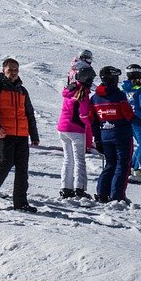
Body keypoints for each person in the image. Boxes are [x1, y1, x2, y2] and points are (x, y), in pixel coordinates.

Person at [0, 57, 40, 211]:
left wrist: (34, 135)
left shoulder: (22, 90)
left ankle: (20, 203)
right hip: (4, 133)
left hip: (21, 134)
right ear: (3, 70)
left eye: (15, 70)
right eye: (10, 69)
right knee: (5, 163)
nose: (13, 72)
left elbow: (29, 113)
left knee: (22, 169)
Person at [92, 65, 141, 202]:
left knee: (110, 163)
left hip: (104, 134)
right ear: (113, 79)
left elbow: (93, 121)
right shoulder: (119, 95)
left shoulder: (95, 98)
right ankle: (117, 197)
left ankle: (102, 193)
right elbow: (129, 116)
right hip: (121, 134)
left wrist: (97, 140)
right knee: (123, 164)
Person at [58, 64, 95, 198]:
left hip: (62, 128)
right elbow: (83, 115)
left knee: (68, 159)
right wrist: (90, 125)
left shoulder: (70, 90)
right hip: (76, 130)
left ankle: (65, 188)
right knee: (79, 159)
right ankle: (79, 188)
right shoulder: (83, 93)